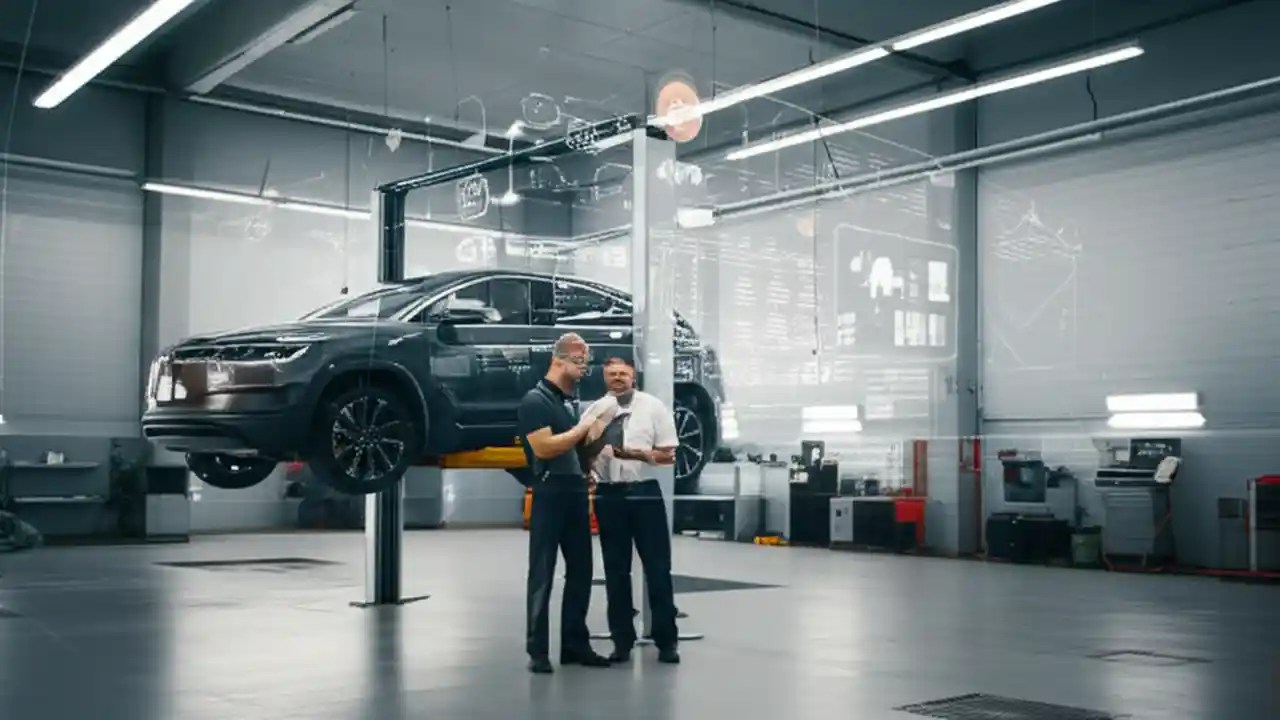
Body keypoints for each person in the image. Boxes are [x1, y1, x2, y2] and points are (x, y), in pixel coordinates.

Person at [517, 332, 618, 674]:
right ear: (559, 360)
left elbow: (576, 451)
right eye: (579, 361)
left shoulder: (567, 403)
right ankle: (538, 651)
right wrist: (583, 428)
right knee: (542, 572)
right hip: (549, 492)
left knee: (581, 571)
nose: (583, 368)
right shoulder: (535, 401)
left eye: (585, 361)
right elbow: (544, 448)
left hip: (574, 491)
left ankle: (575, 643)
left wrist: (596, 437)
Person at [583, 357, 681, 664]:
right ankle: (621, 641)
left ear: (633, 376)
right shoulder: (594, 410)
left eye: (623, 373)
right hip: (609, 494)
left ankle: (667, 641)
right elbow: (582, 453)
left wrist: (636, 454)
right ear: (604, 378)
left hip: (645, 495)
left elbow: (669, 456)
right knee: (615, 572)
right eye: (611, 374)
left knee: (658, 569)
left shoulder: (653, 407)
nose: (617, 378)